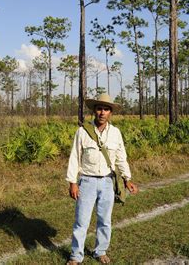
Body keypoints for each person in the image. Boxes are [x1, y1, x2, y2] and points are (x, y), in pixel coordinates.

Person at [66, 93, 138, 264]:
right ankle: (76, 256)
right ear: (94, 111)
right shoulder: (82, 132)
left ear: (110, 113)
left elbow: (121, 158)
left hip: (107, 182)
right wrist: (72, 182)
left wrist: (127, 179)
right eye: (99, 108)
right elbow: (74, 157)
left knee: (104, 220)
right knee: (81, 221)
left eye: (106, 109)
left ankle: (100, 251)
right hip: (87, 182)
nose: (102, 112)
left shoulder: (115, 133)